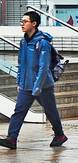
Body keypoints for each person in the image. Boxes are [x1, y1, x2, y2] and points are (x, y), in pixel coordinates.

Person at [1, 10, 66, 150]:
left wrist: (37, 87)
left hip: (43, 86)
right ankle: (12, 139)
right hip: (26, 85)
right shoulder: (23, 41)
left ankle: (60, 135)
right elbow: (21, 64)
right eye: (22, 21)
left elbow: (43, 68)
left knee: (50, 111)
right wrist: (19, 82)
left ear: (34, 24)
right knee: (19, 111)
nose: (22, 24)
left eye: (25, 21)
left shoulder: (43, 43)